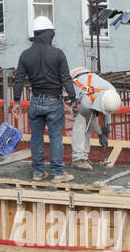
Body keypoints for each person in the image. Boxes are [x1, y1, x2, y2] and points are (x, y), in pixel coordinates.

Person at [11, 16, 77, 182]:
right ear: (49, 34)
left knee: (36, 137)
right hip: (53, 101)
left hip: (36, 101)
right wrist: (73, 98)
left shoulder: (25, 55)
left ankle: (38, 171)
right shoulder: (58, 54)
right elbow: (66, 79)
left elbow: (18, 79)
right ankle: (57, 173)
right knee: (55, 137)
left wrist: (17, 102)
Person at [69, 67, 121, 171]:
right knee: (81, 121)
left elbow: (107, 108)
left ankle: (84, 156)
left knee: (86, 124)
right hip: (70, 84)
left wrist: (107, 125)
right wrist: (100, 135)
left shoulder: (111, 92)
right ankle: (78, 158)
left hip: (84, 79)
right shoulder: (86, 102)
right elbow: (91, 120)